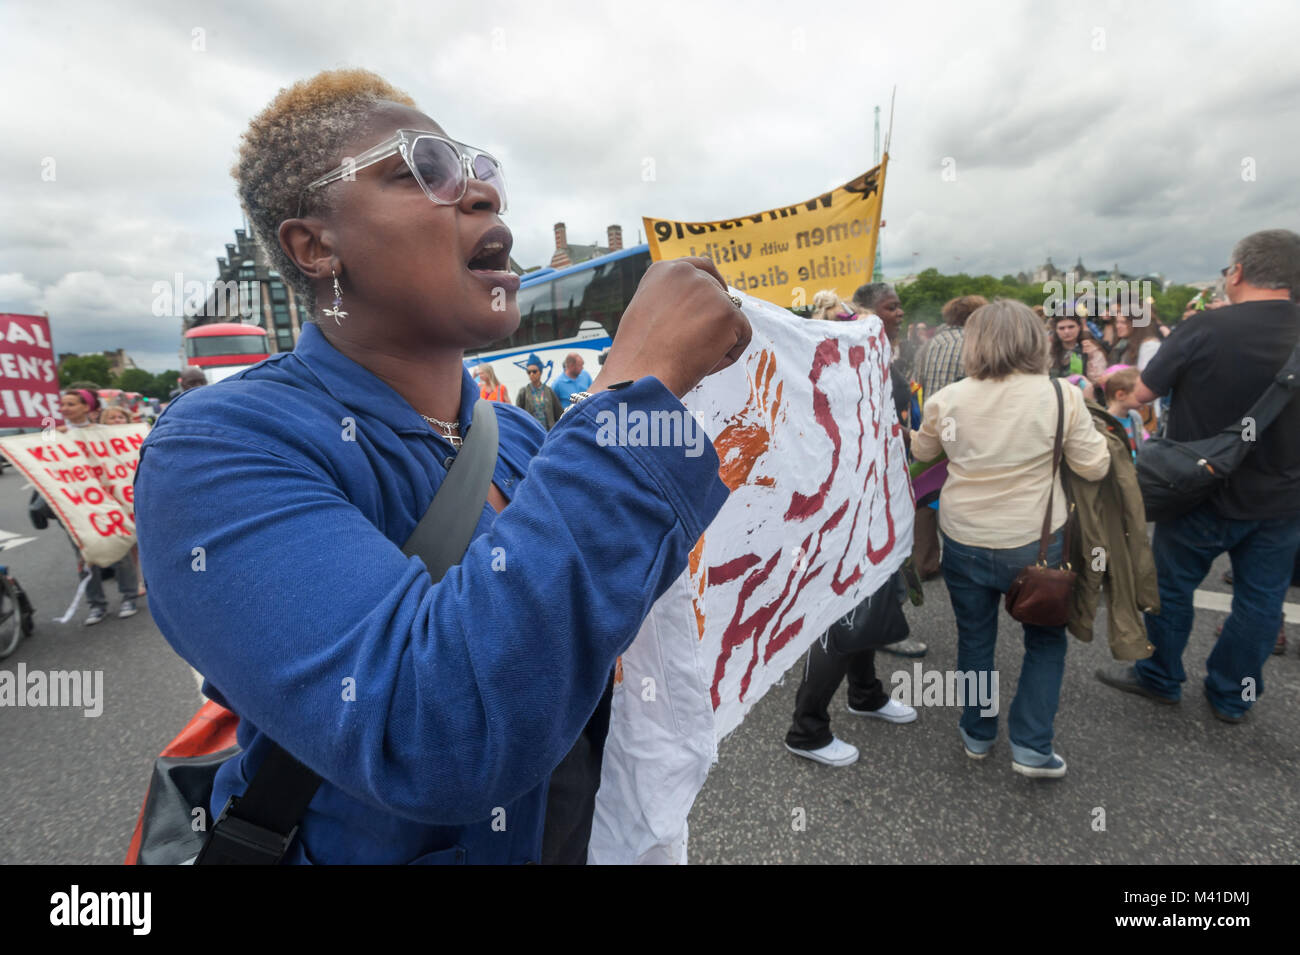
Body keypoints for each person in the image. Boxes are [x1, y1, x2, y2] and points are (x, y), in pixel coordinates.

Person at [135, 68, 750, 865]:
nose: (481, 196)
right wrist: (636, 393)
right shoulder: (218, 447)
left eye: (480, 174)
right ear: (314, 246)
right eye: (417, 169)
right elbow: (433, 731)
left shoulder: (526, 438)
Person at [1097, 229, 1300, 721]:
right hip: (1283, 497)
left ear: (1238, 273)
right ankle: (1232, 695)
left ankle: (1160, 677)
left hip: (1198, 487)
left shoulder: (1207, 328)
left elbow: (1141, 394)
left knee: (1170, 587)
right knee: (1260, 602)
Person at [911, 300, 1110, 777]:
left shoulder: (950, 398)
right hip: (1036, 542)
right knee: (1044, 640)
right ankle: (1032, 747)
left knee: (975, 640)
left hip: (963, 535)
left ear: (975, 344)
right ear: (1033, 339)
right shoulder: (1062, 396)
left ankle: (977, 731)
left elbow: (922, 450)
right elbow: (1096, 466)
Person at [852, 282, 928, 658]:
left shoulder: (882, 353)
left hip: (890, 472)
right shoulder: (857, 356)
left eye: (900, 307)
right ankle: (882, 631)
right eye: (890, 307)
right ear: (866, 313)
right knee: (881, 555)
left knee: (889, 554)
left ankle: (872, 638)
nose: (899, 313)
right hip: (869, 478)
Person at [57, 390, 139, 624]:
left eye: (71, 404)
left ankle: (129, 596)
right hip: (76, 504)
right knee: (85, 556)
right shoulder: (55, 434)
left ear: (87, 407)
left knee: (121, 549)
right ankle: (96, 604)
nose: (64, 409)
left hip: (108, 501)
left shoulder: (104, 433)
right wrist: (54, 432)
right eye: (62, 404)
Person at [1103, 366, 1145, 460]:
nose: (1144, 396)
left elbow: (1140, 443)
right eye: (1139, 393)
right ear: (1120, 395)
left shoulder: (1135, 417)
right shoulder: (1103, 422)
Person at [1048, 314, 1107, 381]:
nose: (1066, 331)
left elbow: (1098, 379)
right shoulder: (1048, 350)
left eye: (1071, 327)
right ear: (1056, 330)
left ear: (1079, 327)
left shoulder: (1090, 350)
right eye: (1061, 328)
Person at [515, 353, 564, 429]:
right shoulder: (523, 392)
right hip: (532, 431)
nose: (531, 374)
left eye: (534, 371)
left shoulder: (549, 391)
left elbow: (559, 413)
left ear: (540, 372)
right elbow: (518, 414)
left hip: (549, 432)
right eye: (529, 372)